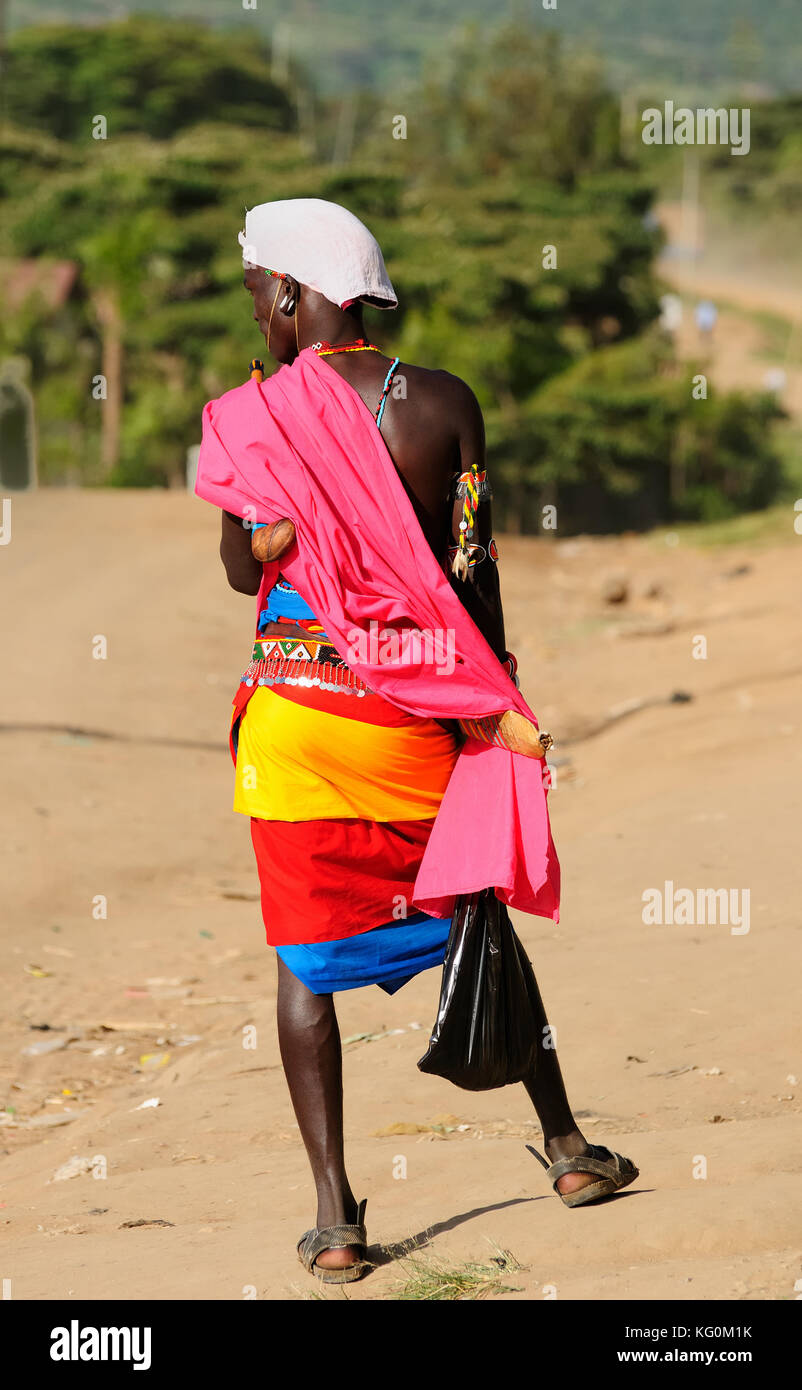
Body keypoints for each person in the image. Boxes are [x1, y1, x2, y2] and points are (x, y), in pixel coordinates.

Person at [197, 198, 637, 1283]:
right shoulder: (439, 403)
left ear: (294, 295)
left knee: (306, 963)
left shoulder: (249, 417)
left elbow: (245, 572)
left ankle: (334, 1217)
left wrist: (283, 531)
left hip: (299, 719)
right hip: (414, 714)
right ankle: (569, 1148)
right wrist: (491, 698)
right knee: (474, 910)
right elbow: (473, 565)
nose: (260, 311)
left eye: (261, 291)